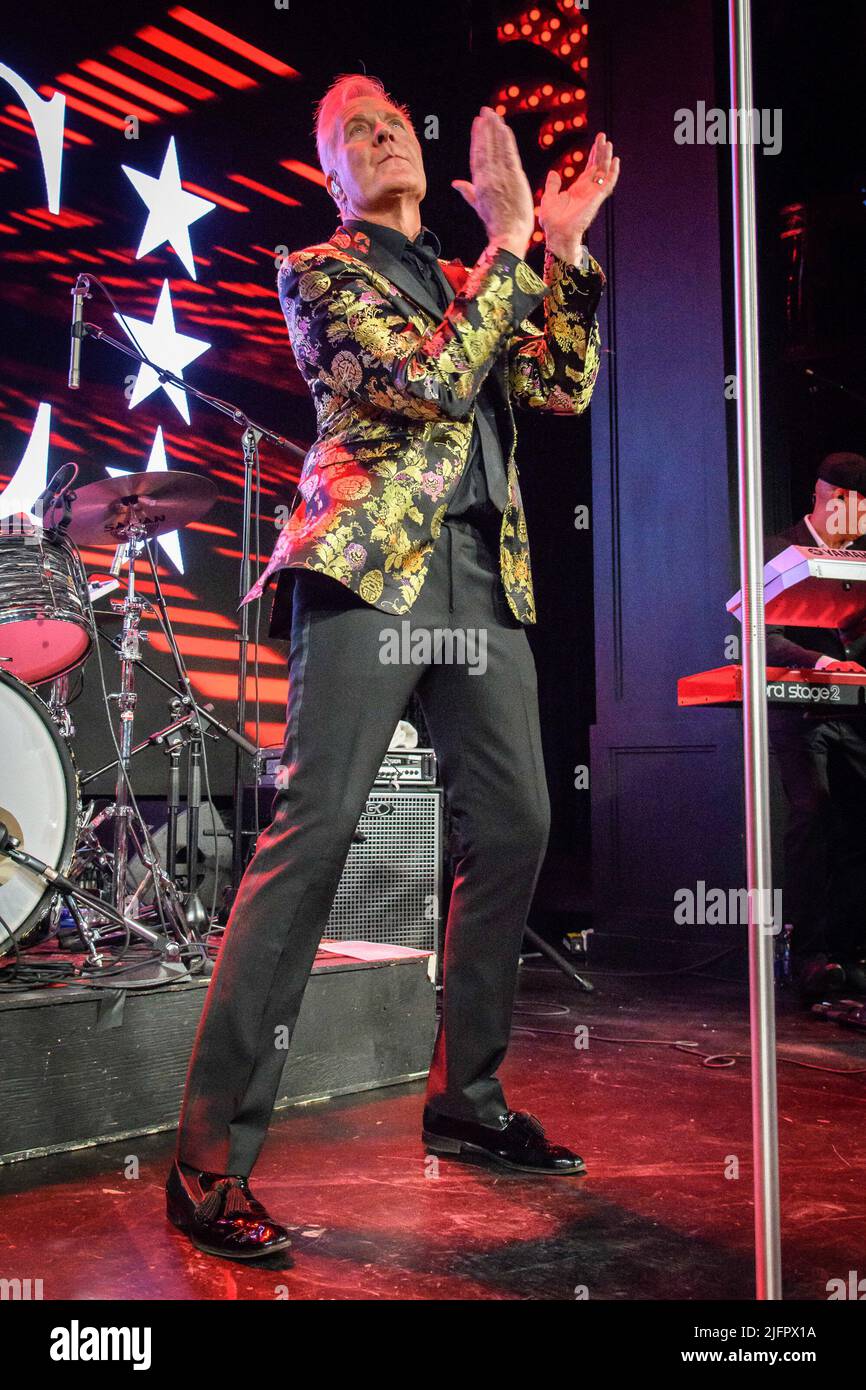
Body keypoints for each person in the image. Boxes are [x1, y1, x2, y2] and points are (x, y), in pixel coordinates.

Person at [165, 73, 618, 1260]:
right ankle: (208, 1157)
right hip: (366, 566)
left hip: (478, 573)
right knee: (314, 832)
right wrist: (510, 246)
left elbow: (559, 384)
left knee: (515, 825)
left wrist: (560, 251)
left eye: (388, 121)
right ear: (333, 174)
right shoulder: (317, 270)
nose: (381, 136)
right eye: (352, 131)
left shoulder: (472, 278)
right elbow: (425, 385)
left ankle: (465, 1099)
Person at [765, 452, 866, 1005]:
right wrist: (822, 662)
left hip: (854, 711)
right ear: (831, 499)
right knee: (814, 816)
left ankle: (847, 952)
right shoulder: (779, 550)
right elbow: (764, 633)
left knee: (857, 824)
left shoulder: (860, 557)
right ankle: (809, 956)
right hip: (801, 709)